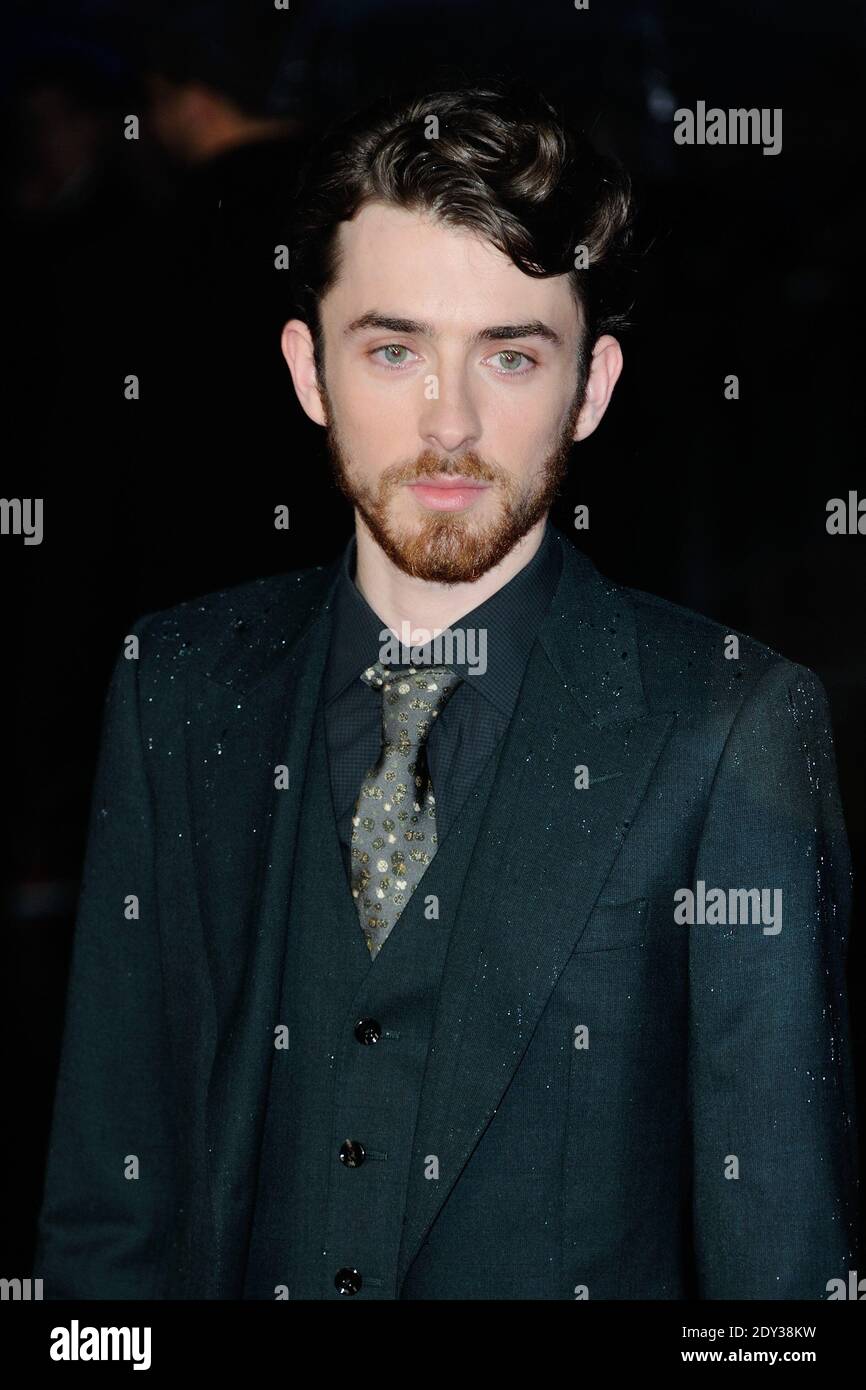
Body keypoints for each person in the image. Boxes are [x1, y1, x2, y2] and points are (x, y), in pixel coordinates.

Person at [34, 79, 858, 1300]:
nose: (450, 423)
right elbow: (106, 1214)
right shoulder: (179, 689)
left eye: (510, 356)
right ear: (309, 370)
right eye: (393, 348)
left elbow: (776, 1279)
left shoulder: (731, 724)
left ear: (591, 385)